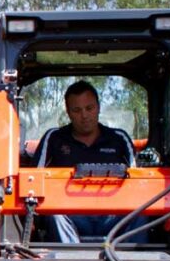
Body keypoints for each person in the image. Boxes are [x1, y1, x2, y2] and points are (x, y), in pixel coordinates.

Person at [33, 80, 144, 243]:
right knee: (54, 214)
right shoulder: (54, 139)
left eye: (89, 108)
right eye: (77, 110)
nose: (84, 116)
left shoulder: (119, 139)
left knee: (142, 213)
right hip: (70, 215)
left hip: (113, 216)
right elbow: (33, 180)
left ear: (98, 108)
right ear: (68, 112)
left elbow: (138, 183)